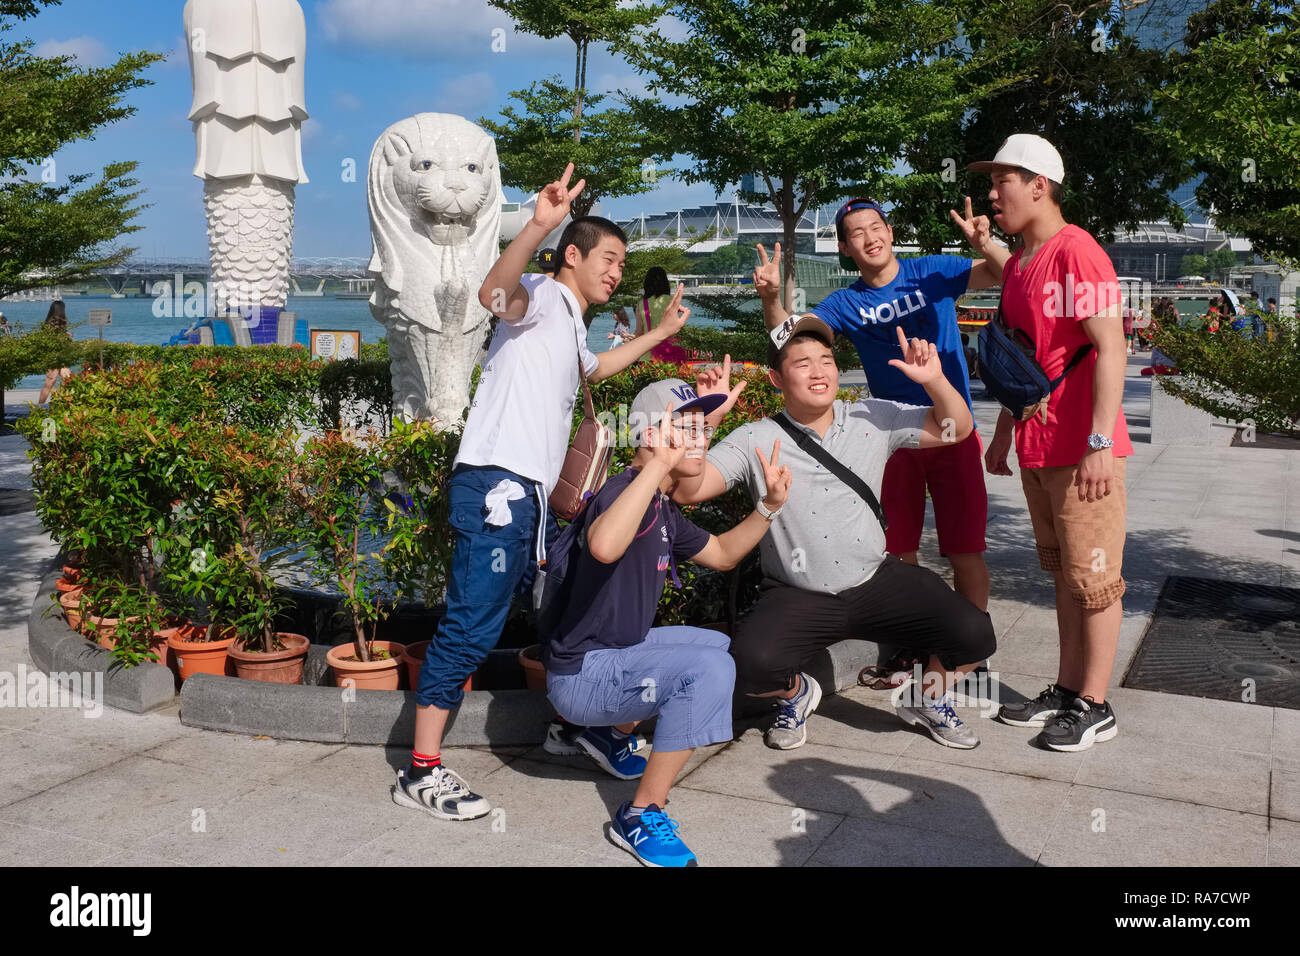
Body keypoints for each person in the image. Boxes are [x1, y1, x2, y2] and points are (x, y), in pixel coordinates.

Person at [391, 163, 691, 822]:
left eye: (622, 263)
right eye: (608, 259)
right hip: (498, 483)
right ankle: (421, 771)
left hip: (530, 497)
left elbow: (598, 367)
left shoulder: (572, 322)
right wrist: (537, 227)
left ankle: (571, 727)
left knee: (548, 615)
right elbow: (492, 297)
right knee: (471, 627)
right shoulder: (539, 294)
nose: (617, 272)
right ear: (573, 257)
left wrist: (660, 336)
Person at [675, 316, 997, 751]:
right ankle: (797, 694)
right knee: (750, 665)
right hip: (797, 591)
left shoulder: (873, 414)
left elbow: (954, 429)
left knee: (974, 632)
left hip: (875, 580)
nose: (819, 371)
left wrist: (936, 380)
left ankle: (926, 696)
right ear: (775, 378)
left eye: (826, 360)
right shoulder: (755, 438)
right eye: (802, 363)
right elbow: (688, 490)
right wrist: (705, 422)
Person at [542, 378, 788, 866]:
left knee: (718, 649)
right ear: (648, 435)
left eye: (704, 427)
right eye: (687, 428)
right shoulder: (623, 493)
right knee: (708, 672)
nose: (702, 437)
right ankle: (639, 815)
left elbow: (720, 554)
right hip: (581, 678)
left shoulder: (661, 508)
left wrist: (768, 508)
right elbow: (605, 546)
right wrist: (657, 465)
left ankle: (605, 734)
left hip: (613, 658)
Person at [755, 196, 1010, 620]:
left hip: (952, 427)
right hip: (891, 437)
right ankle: (910, 646)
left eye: (876, 227)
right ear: (844, 248)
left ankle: (970, 650)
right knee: (900, 551)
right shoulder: (844, 304)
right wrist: (769, 297)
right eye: (857, 233)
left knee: (965, 551)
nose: (870, 238)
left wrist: (986, 243)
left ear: (890, 233)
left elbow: (1009, 274)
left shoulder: (932, 270)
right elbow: (793, 337)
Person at [971, 133, 1132, 752]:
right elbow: (1021, 362)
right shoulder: (1018, 266)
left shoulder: (1078, 253)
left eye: (1002, 179)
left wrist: (1098, 441)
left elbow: (1112, 348)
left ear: (1039, 184)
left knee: (1096, 577)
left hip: (1082, 447)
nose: (993, 192)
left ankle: (1096, 702)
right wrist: (1002, 435)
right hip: (1039, 444)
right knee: (1066, 575)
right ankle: (1067, 689)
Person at [640, 266, 689, 364]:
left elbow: (639, 331)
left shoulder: (642, 304)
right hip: (669, 353)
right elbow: (686, 311)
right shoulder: (671, 301)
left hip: (646, 354)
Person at [38, 300, 74, 404]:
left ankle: (67, 404)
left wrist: (66, 336)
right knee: (51, 383)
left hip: (58, 357)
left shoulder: (51, 322)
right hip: (54, 358)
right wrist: (67, 338)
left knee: (68, 380)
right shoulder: (55, 322)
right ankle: (39, 408)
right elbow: (54, 340)